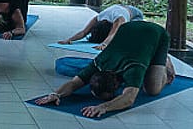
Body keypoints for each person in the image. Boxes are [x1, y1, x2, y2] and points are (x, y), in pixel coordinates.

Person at [30, 20, 175, 118]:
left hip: (156, 34)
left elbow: (129, 99)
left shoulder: (133, 69)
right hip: (128, 29)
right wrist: (55, 94)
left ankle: (163, 60)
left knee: (152, 90)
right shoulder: (98, 63)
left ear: (117, 84)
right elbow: (74, 83)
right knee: (147, 80)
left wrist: (104, 107)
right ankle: (149, 56)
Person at [58, 3, 145, 50]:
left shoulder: (119, 20)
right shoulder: (98, 18)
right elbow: (84, 32)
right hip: (120, 7)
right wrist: (69, 40)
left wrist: (104, 44)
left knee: (125, 33)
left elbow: (112, 34)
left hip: (135, 14)